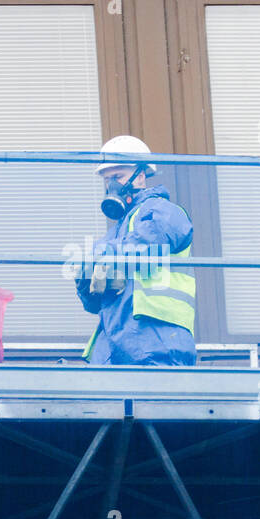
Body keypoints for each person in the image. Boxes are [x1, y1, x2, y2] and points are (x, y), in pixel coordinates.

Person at [77, 135, 196, 366]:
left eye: (118, 177)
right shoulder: (115, 234)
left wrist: (98, 257)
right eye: (108, 179)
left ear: (140, 176)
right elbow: (93, 304)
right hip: (112, 349)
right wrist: (83, 278)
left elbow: (146, 246)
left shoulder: (164, 212)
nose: (112, 185)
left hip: (157, 341)